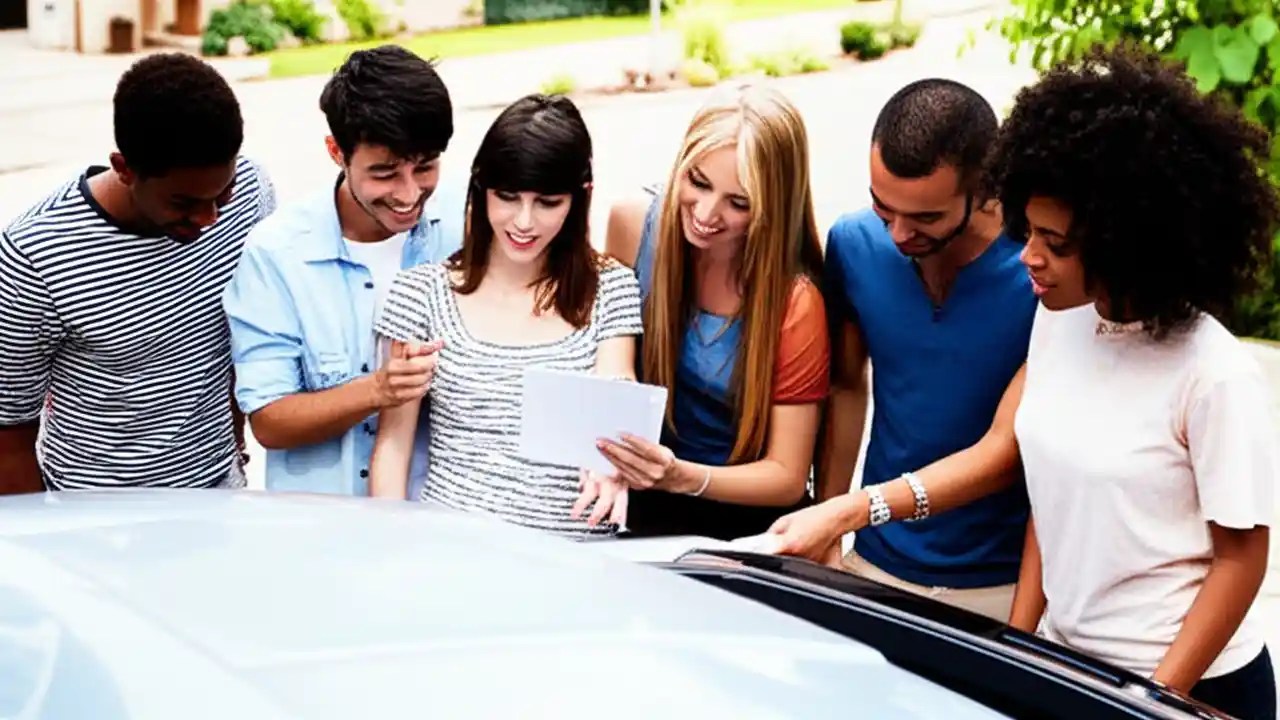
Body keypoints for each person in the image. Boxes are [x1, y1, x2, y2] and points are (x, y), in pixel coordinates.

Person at [773, 46, 1280, 720]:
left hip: (1190, 686)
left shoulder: (1214, 374)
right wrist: (1018, 641)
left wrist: (1157, 699)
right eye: (1029, 232)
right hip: (1072, 662)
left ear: (1127, 241)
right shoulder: (1059, 323)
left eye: (1054, 243)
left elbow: (1242, 561)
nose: (1029, 256)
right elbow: (1046, 491)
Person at [784, 79, 1037, 621]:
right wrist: (829, 520)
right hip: (875, 560)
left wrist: (851, 511)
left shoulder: (1040, 274)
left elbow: (1006, 452)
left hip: (1003, 581)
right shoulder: (853, 242)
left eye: (926, 218)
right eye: (883, 207)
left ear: (987, 188)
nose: (898, 234)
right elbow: (849, 387)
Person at [368, 94, 643, 537]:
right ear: (481, 190)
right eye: (508, 197)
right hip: (455, 555)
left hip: (579, 565)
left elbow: (616, 384)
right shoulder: (421, 293)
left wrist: (612, 458)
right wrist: (393, 548)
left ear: (580, 197)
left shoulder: (610, 286)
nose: (524, 222)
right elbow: (393, 445)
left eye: (548, 202)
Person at [0, 52, 274, 492]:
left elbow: (245, 337)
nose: (209, 219)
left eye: (221, 195)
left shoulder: (253, 193)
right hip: (94, 513)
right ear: (125, 169)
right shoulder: (34, 254)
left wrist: (237, 441)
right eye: (184, 203)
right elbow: (9, 433)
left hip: (219, 491)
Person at [224, 46, 463, 498]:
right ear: (337, 151)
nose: (409, 193)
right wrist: (378, 389)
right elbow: (270, 422)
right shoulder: (276, 254)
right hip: (322, 532)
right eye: (385, 173)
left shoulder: (467, 226)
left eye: (425, 166)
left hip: (442, 523)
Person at [600, 84, 830, 540]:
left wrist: (683, 476)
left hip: (742, 515)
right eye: (698, 182)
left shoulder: (796, 302)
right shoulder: (632, 226)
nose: (706, 213)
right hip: (639, 493)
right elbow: (608, 356)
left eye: (739, 202)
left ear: (772, 206)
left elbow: (786, 476)